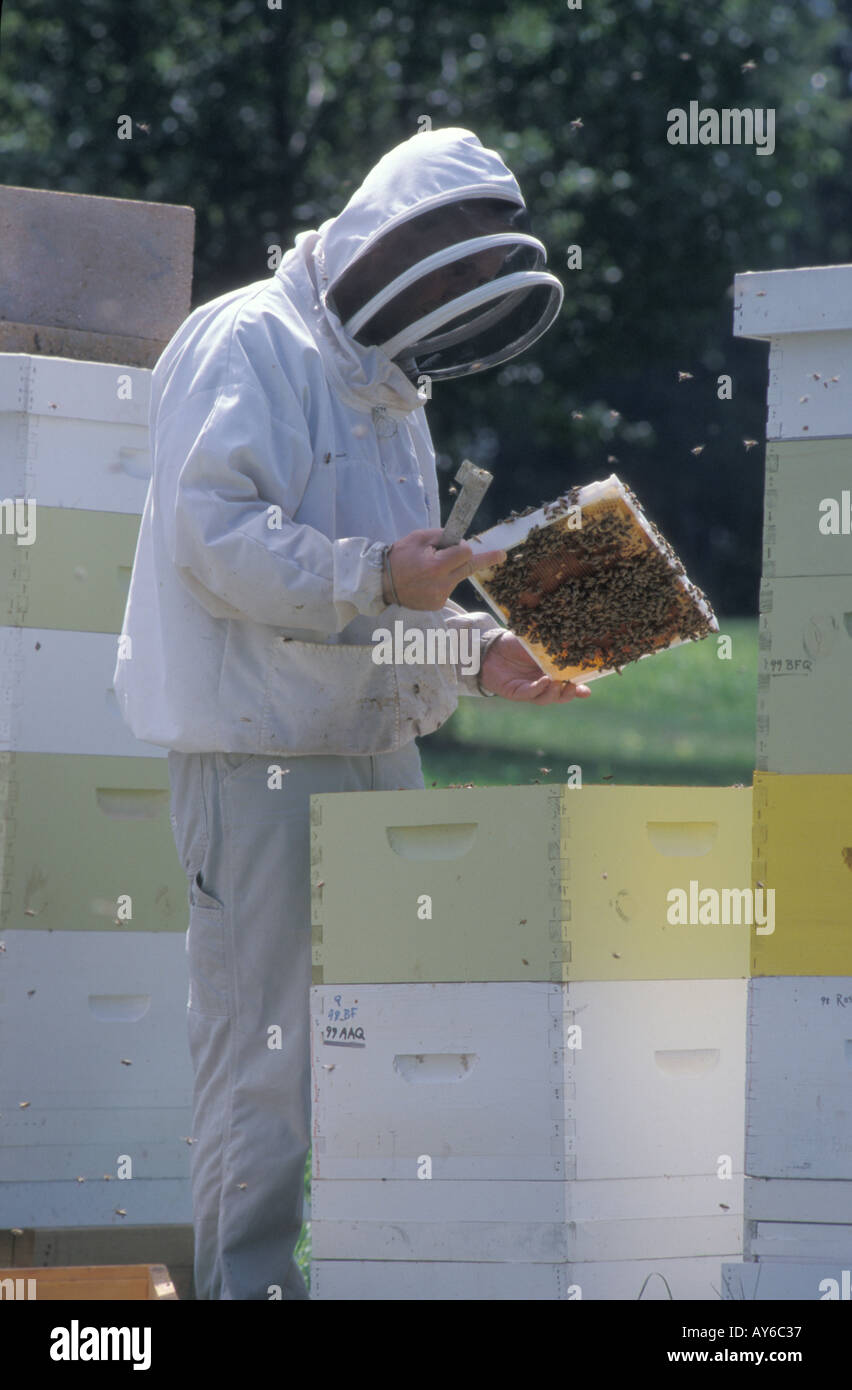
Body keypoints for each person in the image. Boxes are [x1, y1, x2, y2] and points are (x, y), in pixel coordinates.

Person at [113, 126, 590, 1301]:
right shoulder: (247, 341)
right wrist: (381, 573)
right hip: (257, 761)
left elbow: (393, 586)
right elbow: (212, 544)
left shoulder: (384, 384)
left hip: (375, 756)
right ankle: (243, 1293)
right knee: (264, 1071)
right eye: (458, 272)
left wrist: (484, 650)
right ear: (398, 242)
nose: (459, 306)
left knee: (390, 1049)